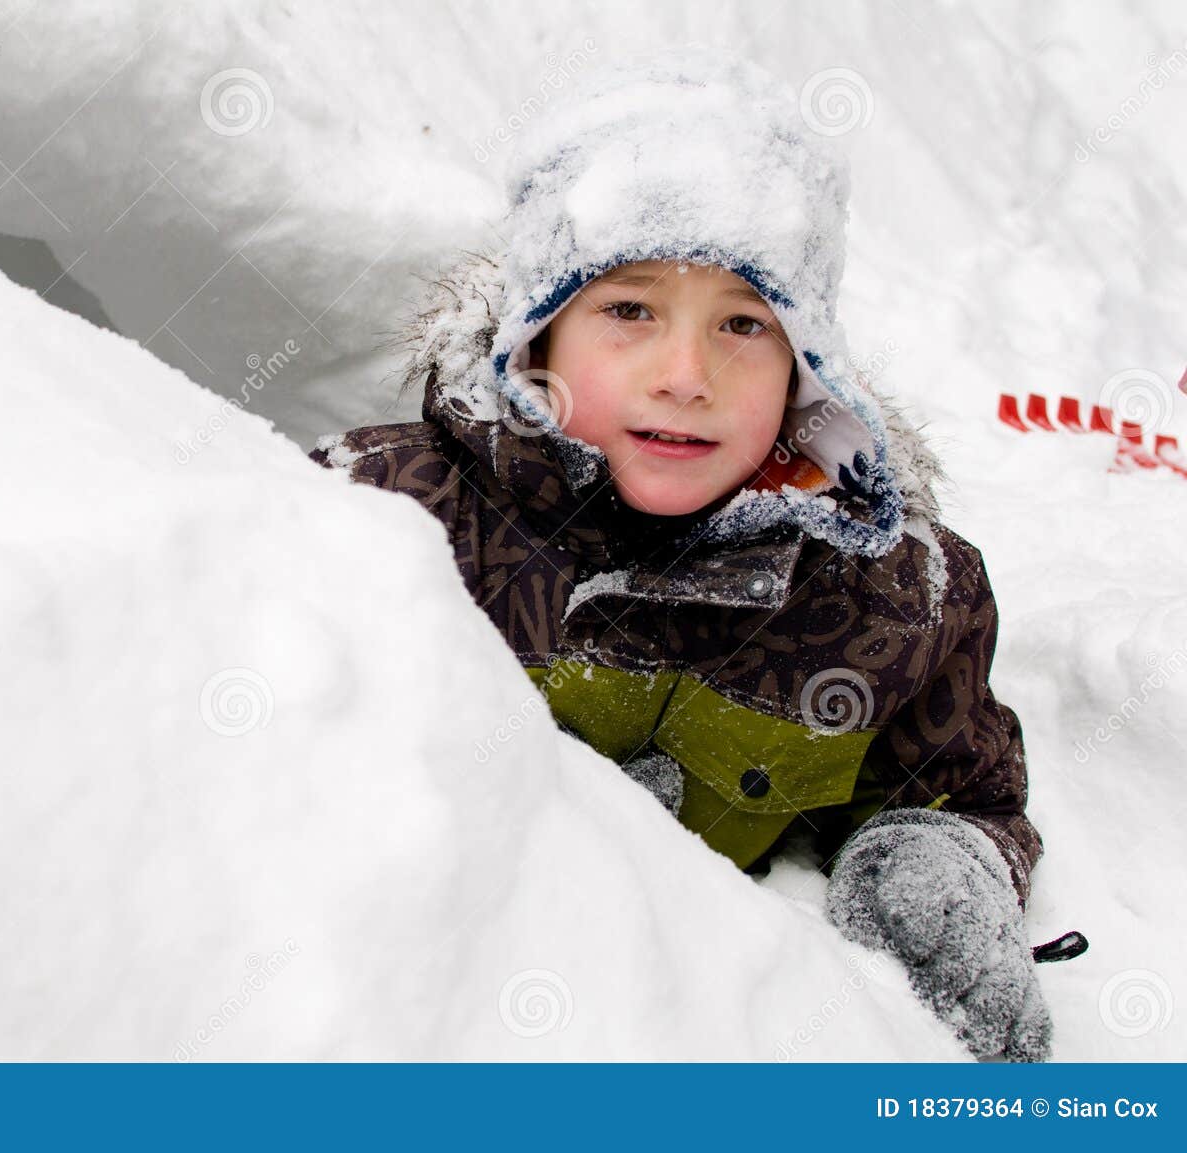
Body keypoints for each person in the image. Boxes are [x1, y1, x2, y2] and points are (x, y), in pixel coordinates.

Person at [307, 48, 1050, 1061]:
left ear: (806, 368)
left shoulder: (895, 600)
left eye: (745, 323)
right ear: (538, 337)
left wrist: (933, 866)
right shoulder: (388, 511)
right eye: (628, 310)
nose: (686, 374)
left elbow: (963, 788)